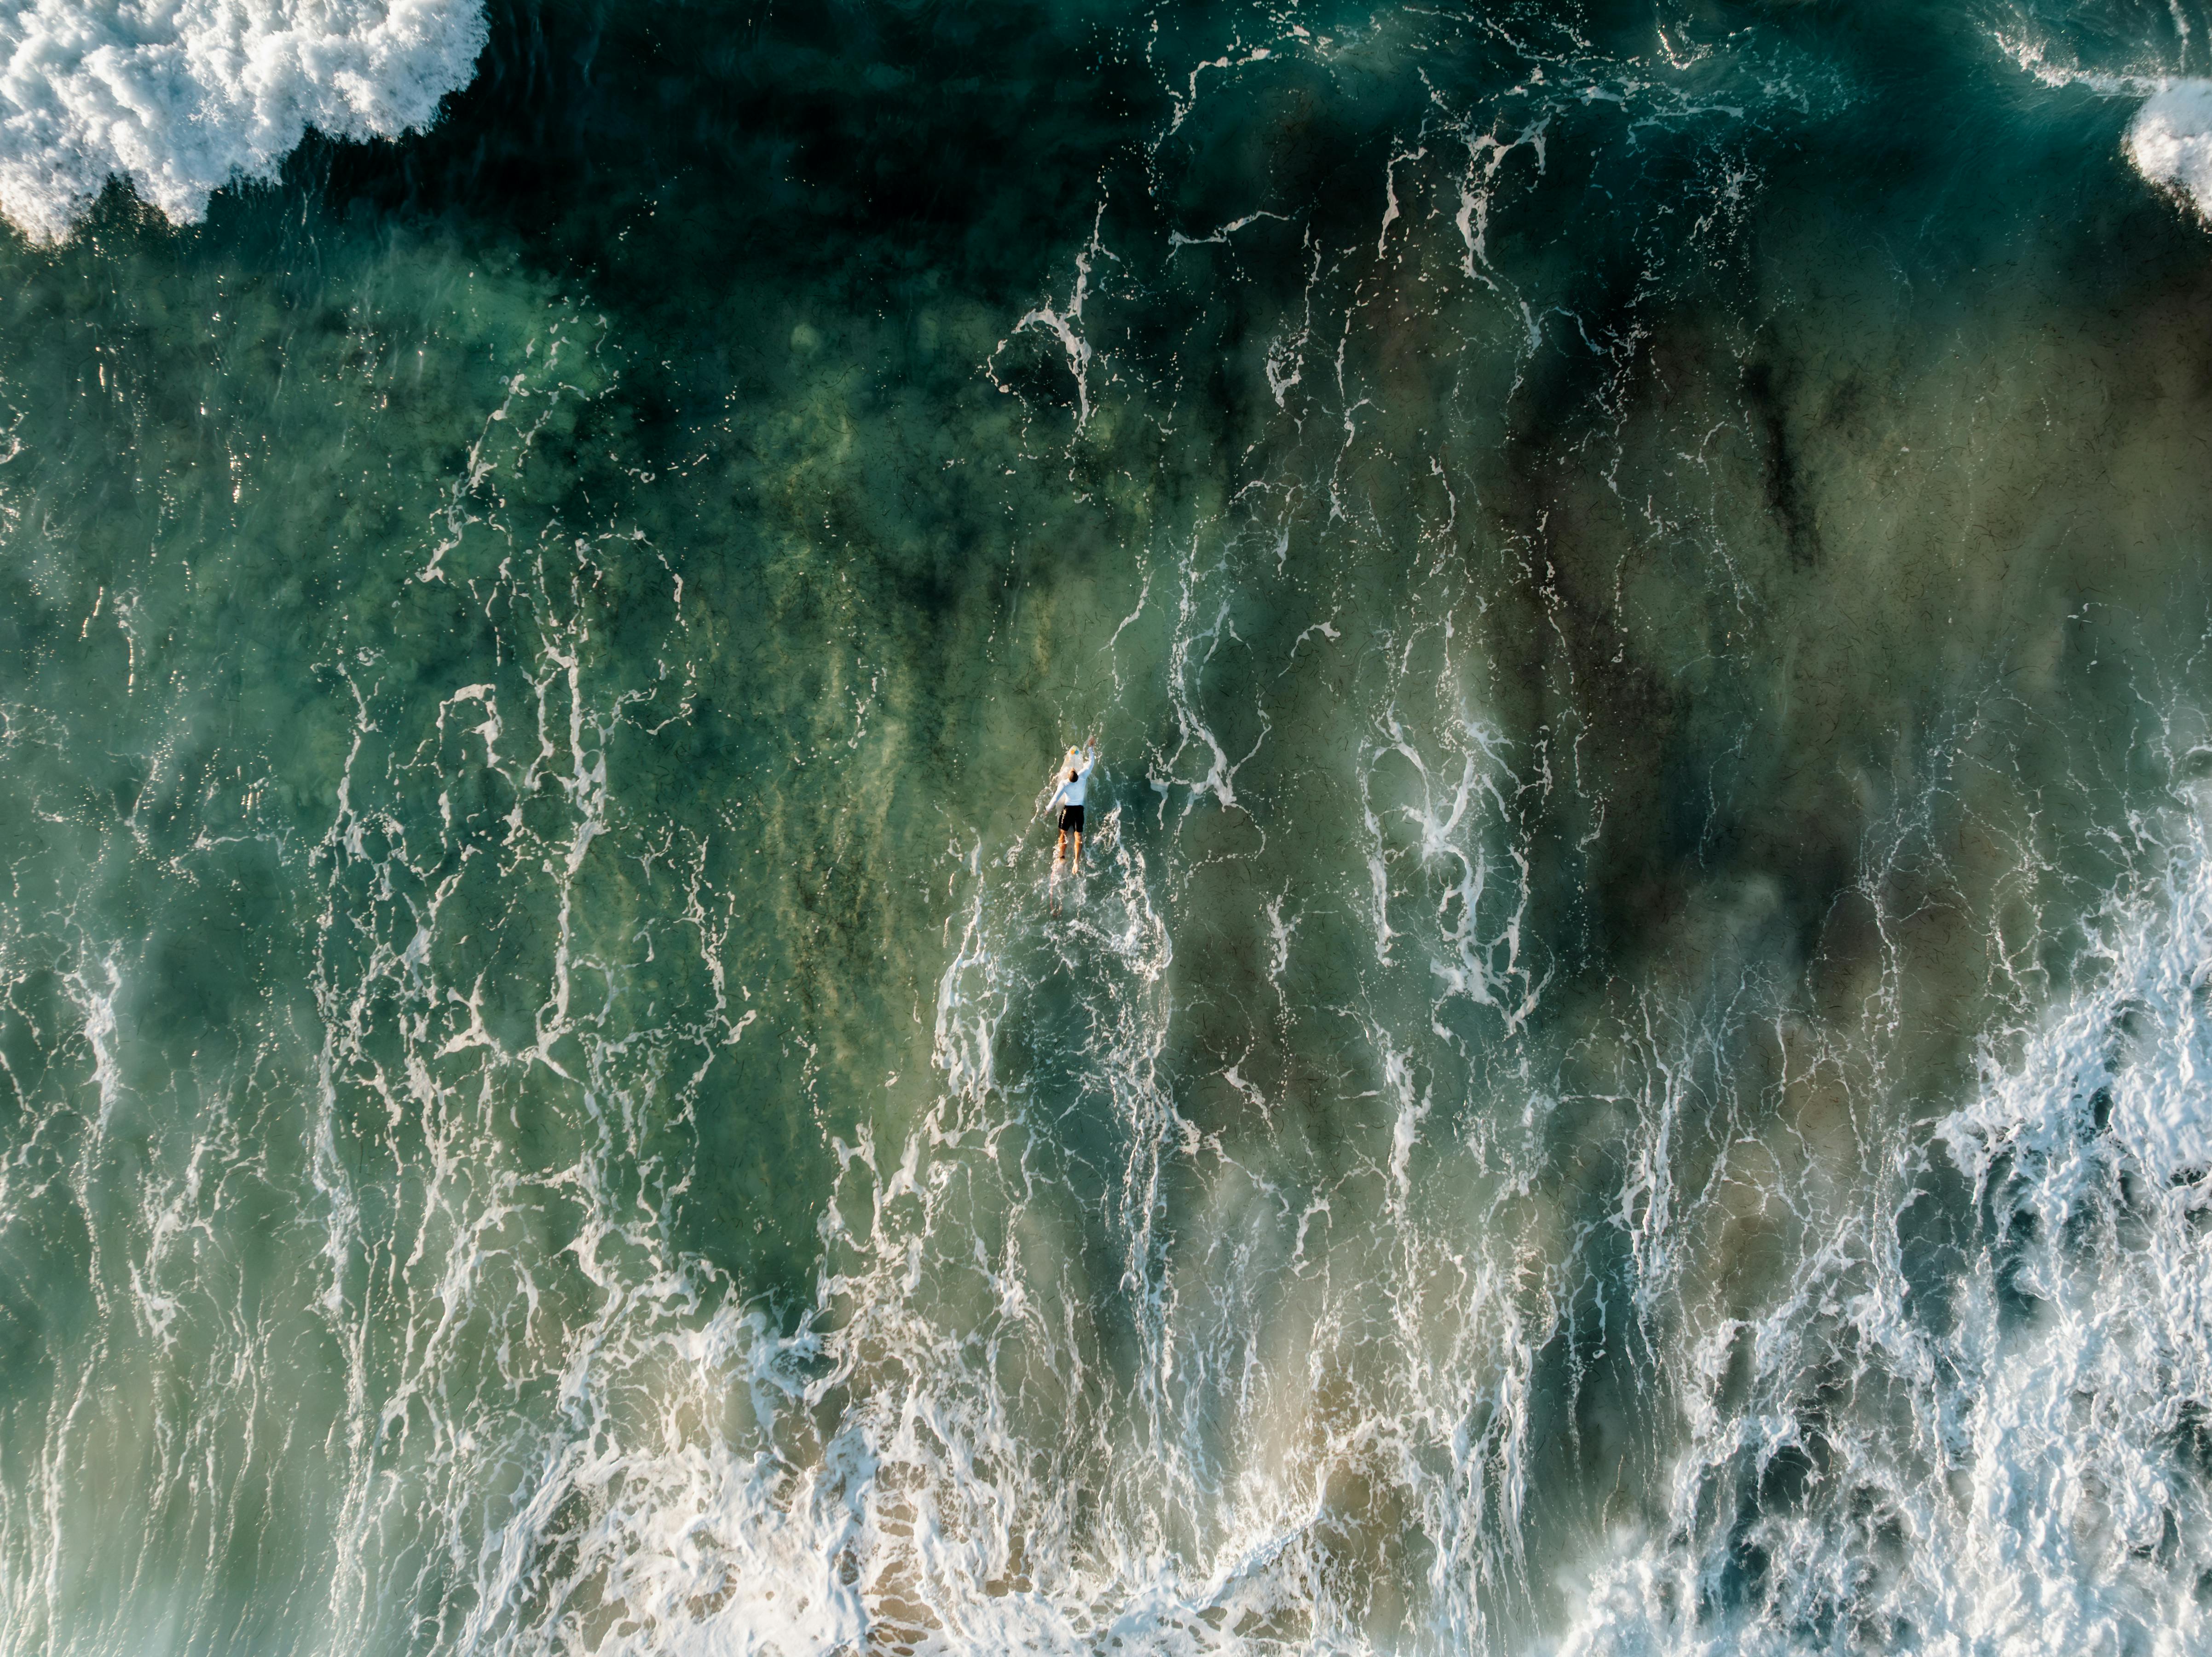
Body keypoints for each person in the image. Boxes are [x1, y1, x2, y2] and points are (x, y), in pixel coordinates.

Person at [1048, 741, 1099, 870]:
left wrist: (1048, 810)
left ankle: (1062, 857)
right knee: (1079, 836)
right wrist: (1091, 749)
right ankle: (1076, 861)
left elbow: (1055, 799)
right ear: (1077, 774)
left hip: (1068, 810)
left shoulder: (1065, 784)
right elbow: (1091, 764)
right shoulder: (1082, 777)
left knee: (1063, 834)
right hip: (1079, 811)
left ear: (1069, 777)